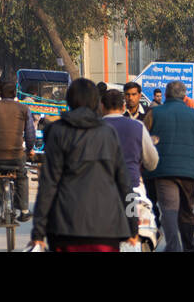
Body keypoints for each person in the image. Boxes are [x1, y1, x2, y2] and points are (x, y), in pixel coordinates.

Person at [30, 78, 138, 252]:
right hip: (107, 229)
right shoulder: (108, 133)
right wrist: (133, 225)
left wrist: (38, 232)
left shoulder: (57, 132)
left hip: (65, 229)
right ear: (96, 101)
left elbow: (48, 184)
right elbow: (125, 183)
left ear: (69, 100)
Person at [144, 80, 194, 252]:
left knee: (168, 209)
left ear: (166, 95)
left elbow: (143, 141)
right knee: (186, 211)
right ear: (184, 96)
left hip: (163, 171)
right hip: (189, 173)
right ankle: (189, 245)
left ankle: (173, 246)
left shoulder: (153, 113)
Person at [0, 80, 35, 229]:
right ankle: (23, 210)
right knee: (21, 176)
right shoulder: (24, 109)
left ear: (0, 94)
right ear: (15, 94)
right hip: (16, 156)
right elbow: (30, 134)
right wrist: (29, 149)